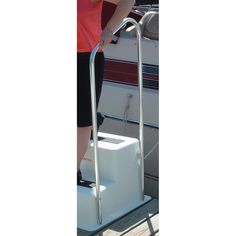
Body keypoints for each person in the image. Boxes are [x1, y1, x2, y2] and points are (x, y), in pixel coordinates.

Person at [77, 0, 135, 184]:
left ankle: (73, 171)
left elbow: (127, 1)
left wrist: (110, 29)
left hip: (86, 58)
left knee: (82, 120)